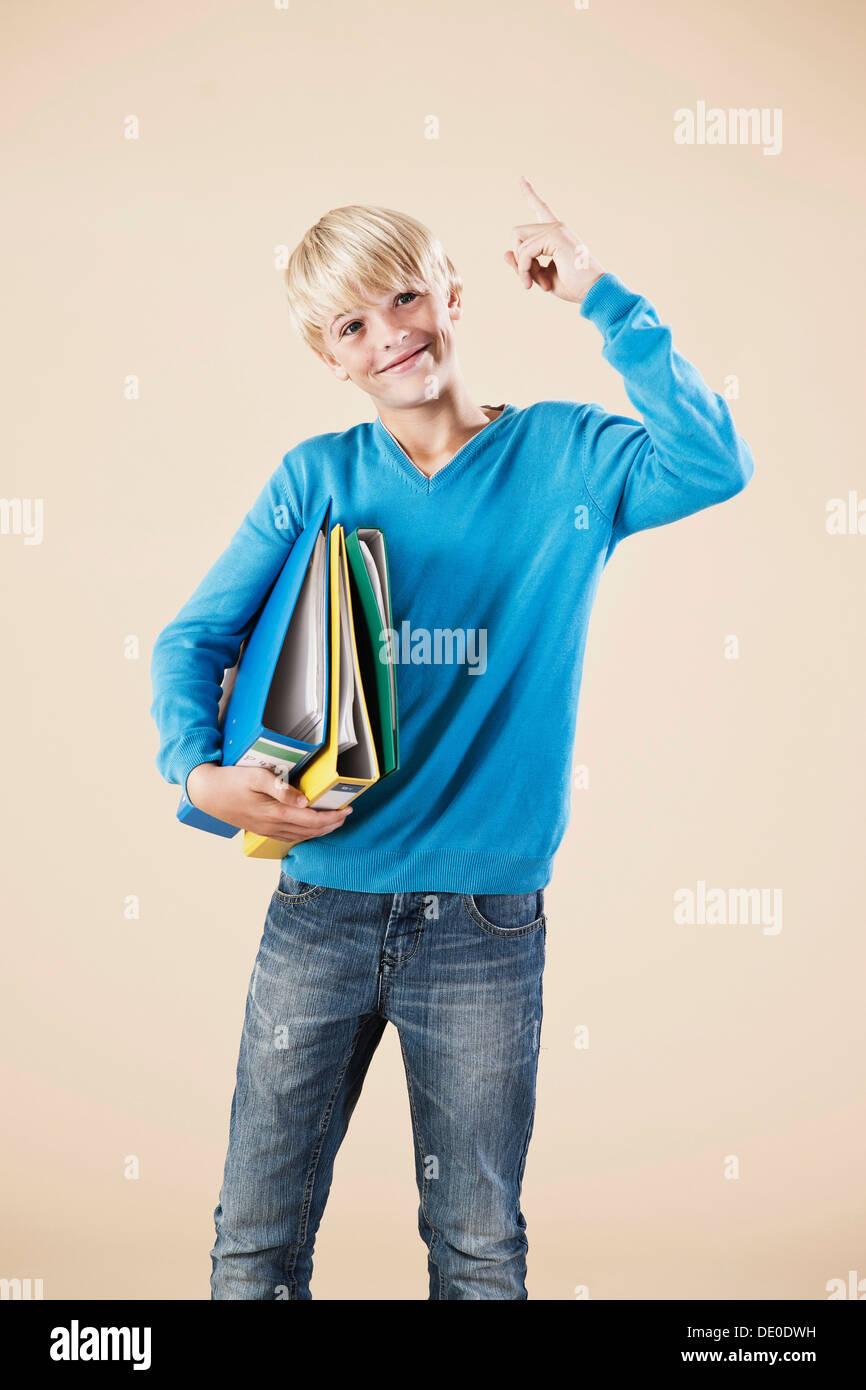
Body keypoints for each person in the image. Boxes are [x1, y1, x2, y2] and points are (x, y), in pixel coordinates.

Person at [149, 175, 755, 1299]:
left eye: (405, 299)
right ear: (328, 357)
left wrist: (599, 296)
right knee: (254, 1241)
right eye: (351, 325)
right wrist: (201, 771)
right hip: (318, 908)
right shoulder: (315, 479)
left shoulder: (571, 460)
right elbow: (189, 641)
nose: (389, 336)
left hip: (485, 922)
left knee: (477, 1246)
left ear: (455, 299)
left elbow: (714, 464)